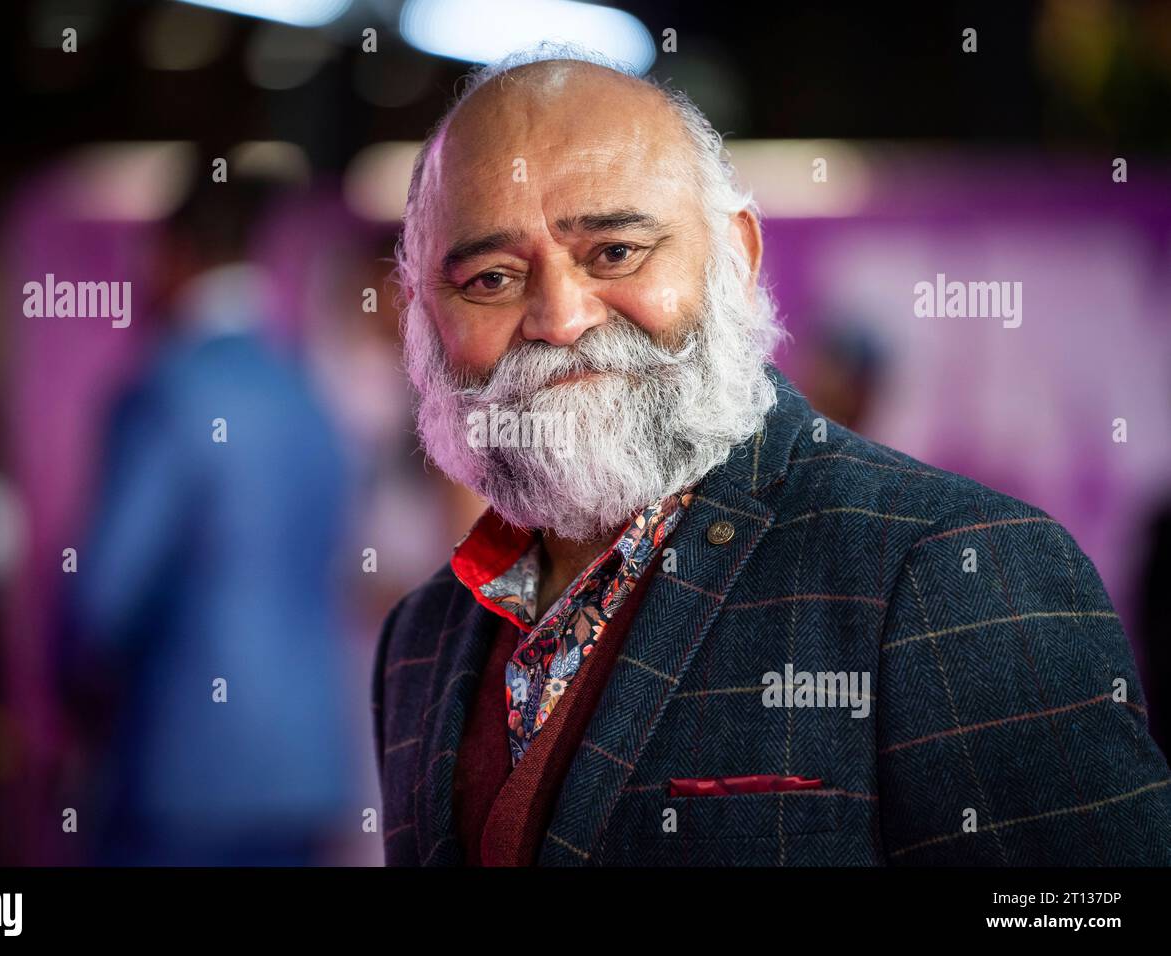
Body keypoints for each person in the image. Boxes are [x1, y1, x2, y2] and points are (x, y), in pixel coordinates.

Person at [371, 45, 1171, 866]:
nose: (560, 318)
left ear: (739, 258)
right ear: (421, 314)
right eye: (492, 280)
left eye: (615, 252)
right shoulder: (422, 637)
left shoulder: (951, 571)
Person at [66, 172, 356, 865]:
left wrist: (69, 691)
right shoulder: (309, 392)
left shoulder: (165, 390)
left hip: (184, 767)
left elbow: (103, 597)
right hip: (304, 763)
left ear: (176, 255)